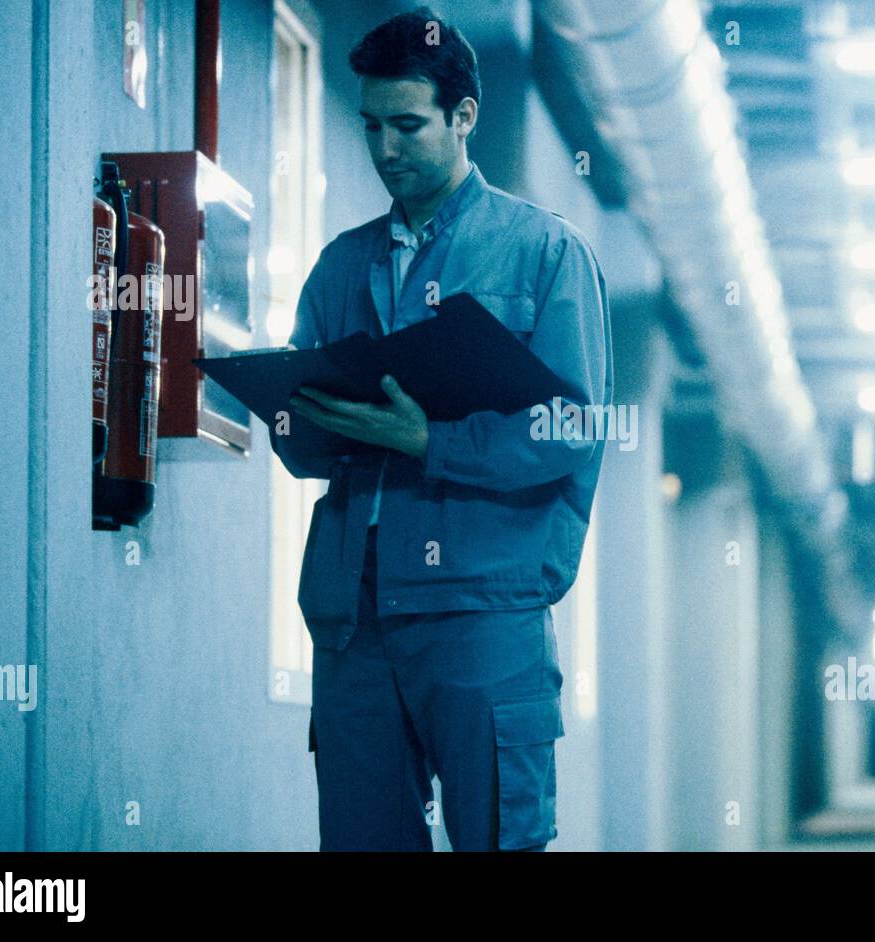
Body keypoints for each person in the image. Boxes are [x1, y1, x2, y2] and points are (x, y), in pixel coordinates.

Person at [269, 6, 612, 852]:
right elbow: (300, 430)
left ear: (463, 117)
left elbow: (570, 424)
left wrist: (430, 441)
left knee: (497, 839)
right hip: (355, 616)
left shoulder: (543, 252)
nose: (386, 148)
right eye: (372, 126)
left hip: (482, 610)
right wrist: (287, 408)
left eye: (409, 125)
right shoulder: (340, 265)